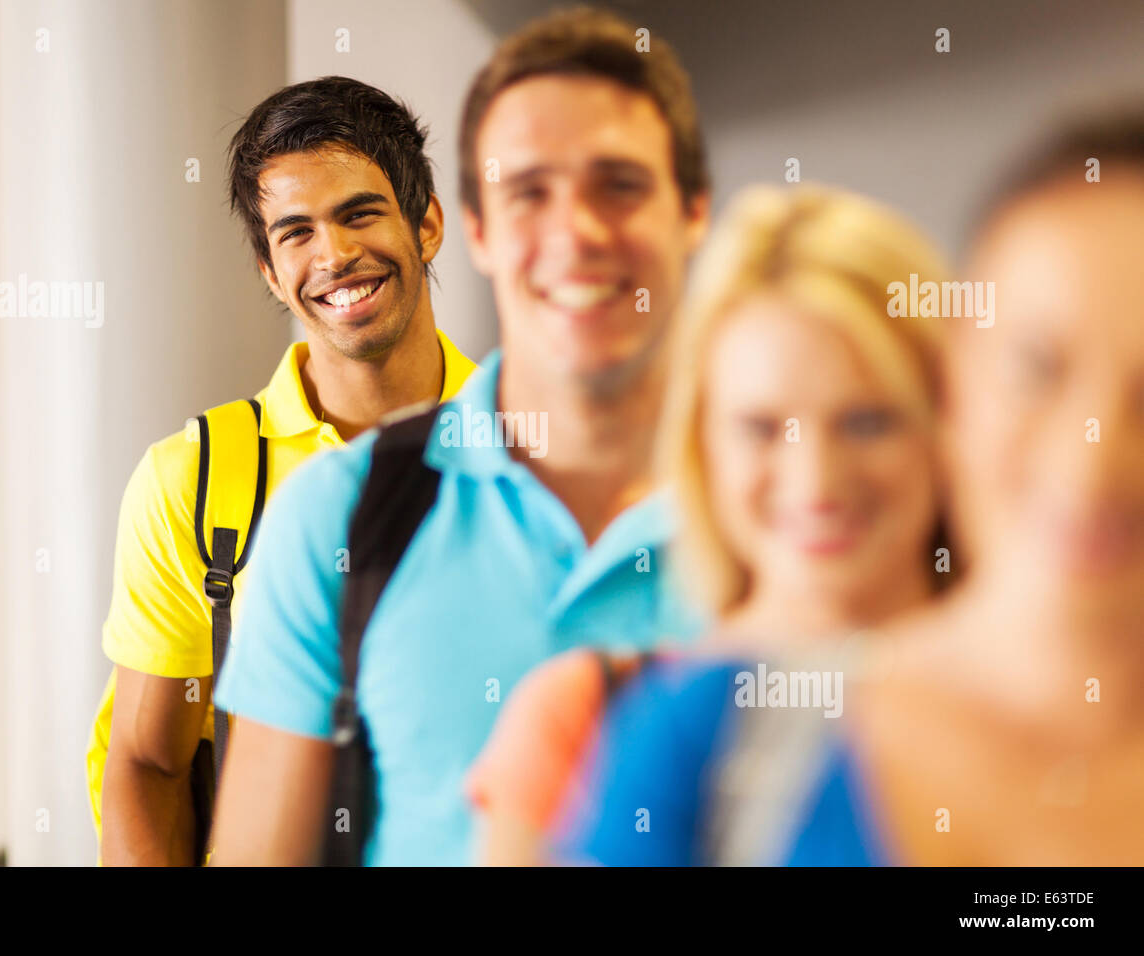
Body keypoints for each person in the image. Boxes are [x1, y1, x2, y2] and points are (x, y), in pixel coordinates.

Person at [564, 111, 1144, 865]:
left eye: (866, 421)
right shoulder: (696, 742)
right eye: (1036, 366)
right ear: (956, 385)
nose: (1089, 459)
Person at [208, 8, 711, 866]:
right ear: (477, 228)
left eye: (619, 184)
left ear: (691, 212)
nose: (576, 231)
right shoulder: (334, 519)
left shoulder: (801, 507)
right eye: (529, 192)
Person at [467, 183, 953, 864]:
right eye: (760, 427)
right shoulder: (589, 714)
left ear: (949, 427)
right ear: (701, 442)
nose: (815, 480)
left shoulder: (1069, 694)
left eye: (867, 421)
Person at [86, 76, 478, 865]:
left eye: (360, 212)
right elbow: (149, 760)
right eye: (295, 232)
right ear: (270, 270)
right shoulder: (193, 481)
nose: (334, 254)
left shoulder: (528, 452)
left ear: (427, 223)